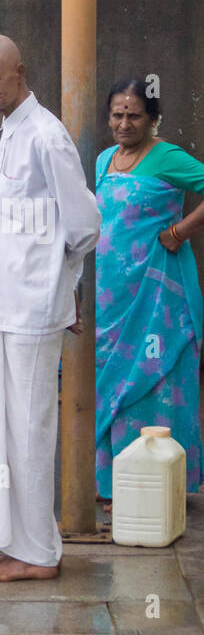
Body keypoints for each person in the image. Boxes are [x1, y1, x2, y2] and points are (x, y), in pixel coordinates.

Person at [0, 35, 101, 582]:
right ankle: (15, 539)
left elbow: (85, 226)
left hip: (32, 308)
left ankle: (40, 553)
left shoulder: (47, 136)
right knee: (0, 428)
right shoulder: (11, 133)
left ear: (19, 72)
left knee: (30, 426)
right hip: (0, 304)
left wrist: (64, 287)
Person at [95, 78, 204, 498]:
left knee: (152, 385)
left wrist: (180, 230)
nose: (124, 123)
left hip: (158, 298)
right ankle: (111, 485)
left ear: (152, 119)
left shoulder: (166, 157)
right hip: (111, 299)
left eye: (134, 115)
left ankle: (157, 488)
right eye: (117, 115)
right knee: (112, 387)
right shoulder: (105, 159)